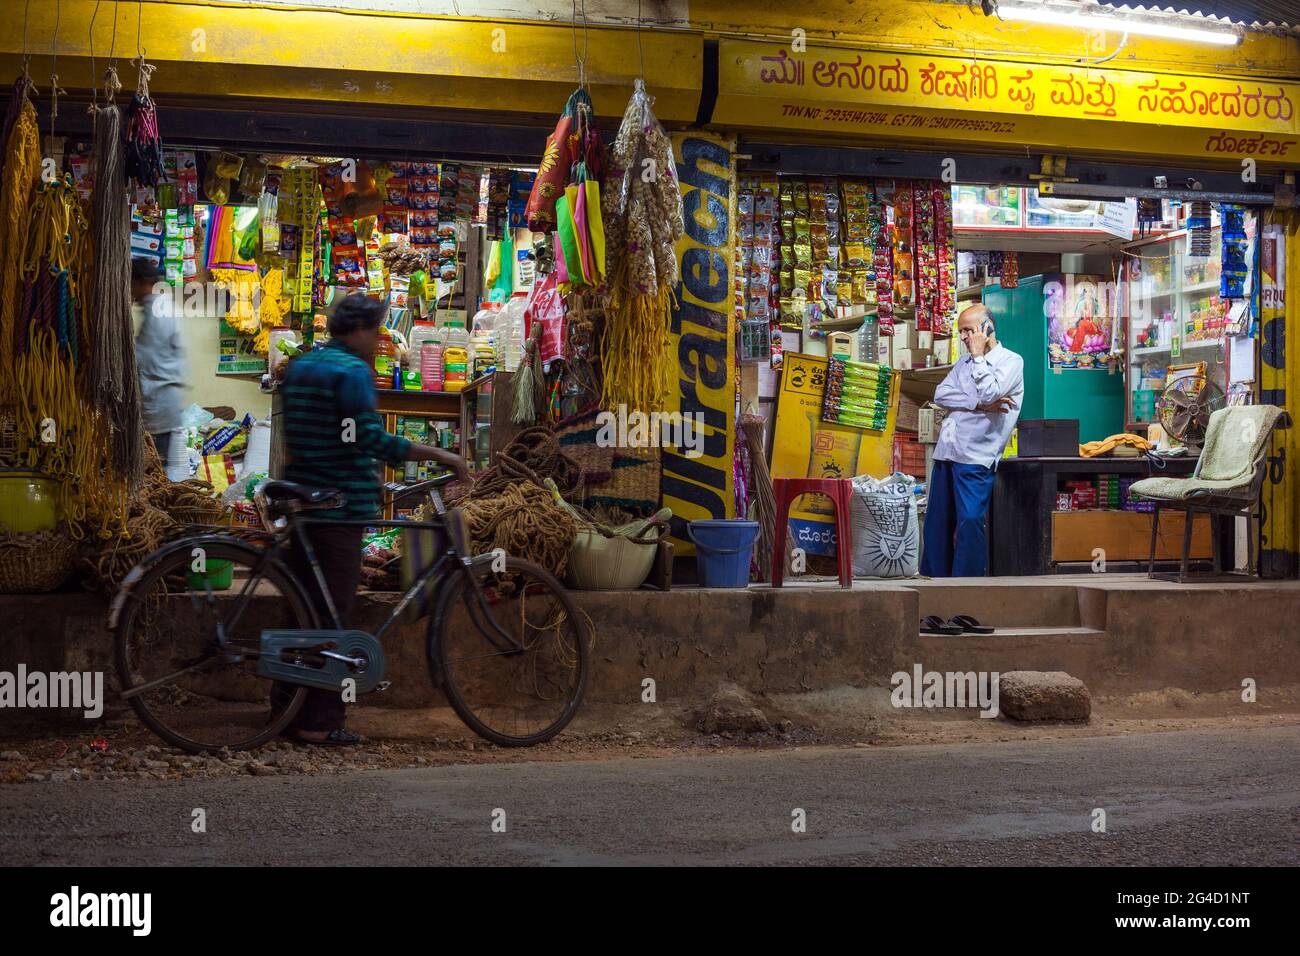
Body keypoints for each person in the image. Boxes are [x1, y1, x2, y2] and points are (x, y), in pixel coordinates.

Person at [274, 293, 472, 745]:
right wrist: (440, 454)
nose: (379, 339)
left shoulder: (302, 365)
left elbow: (312, 437)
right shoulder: (352, 372)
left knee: (301, 610)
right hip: (337, 507)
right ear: (360, 331)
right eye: (377, 330)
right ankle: (319, 722)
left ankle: (283, 709)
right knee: (330, 614)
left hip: (302, 501)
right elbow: (371, 440)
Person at [921, 303, 1024, 578]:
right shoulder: (962, 363)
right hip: (948, 452)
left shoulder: (1011, 362)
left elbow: (992, 393)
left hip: (976, 456)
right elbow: (941, 394)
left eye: (968, 331)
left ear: (988, 328)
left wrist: (979, 359)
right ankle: (935, 582)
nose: (964, 338)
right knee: (938, 522)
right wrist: (977, 405)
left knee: (969, 521)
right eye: (961, 332)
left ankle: (966, 587)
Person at [131, 258, 186, 463]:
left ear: (141, 282)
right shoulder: (156, 307)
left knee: (155, 472)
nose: (130, 290)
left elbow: (145, 358)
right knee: (155, 470)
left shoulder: (157, 311)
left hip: (159, 405)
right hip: (160, 404)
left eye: (131, 284)